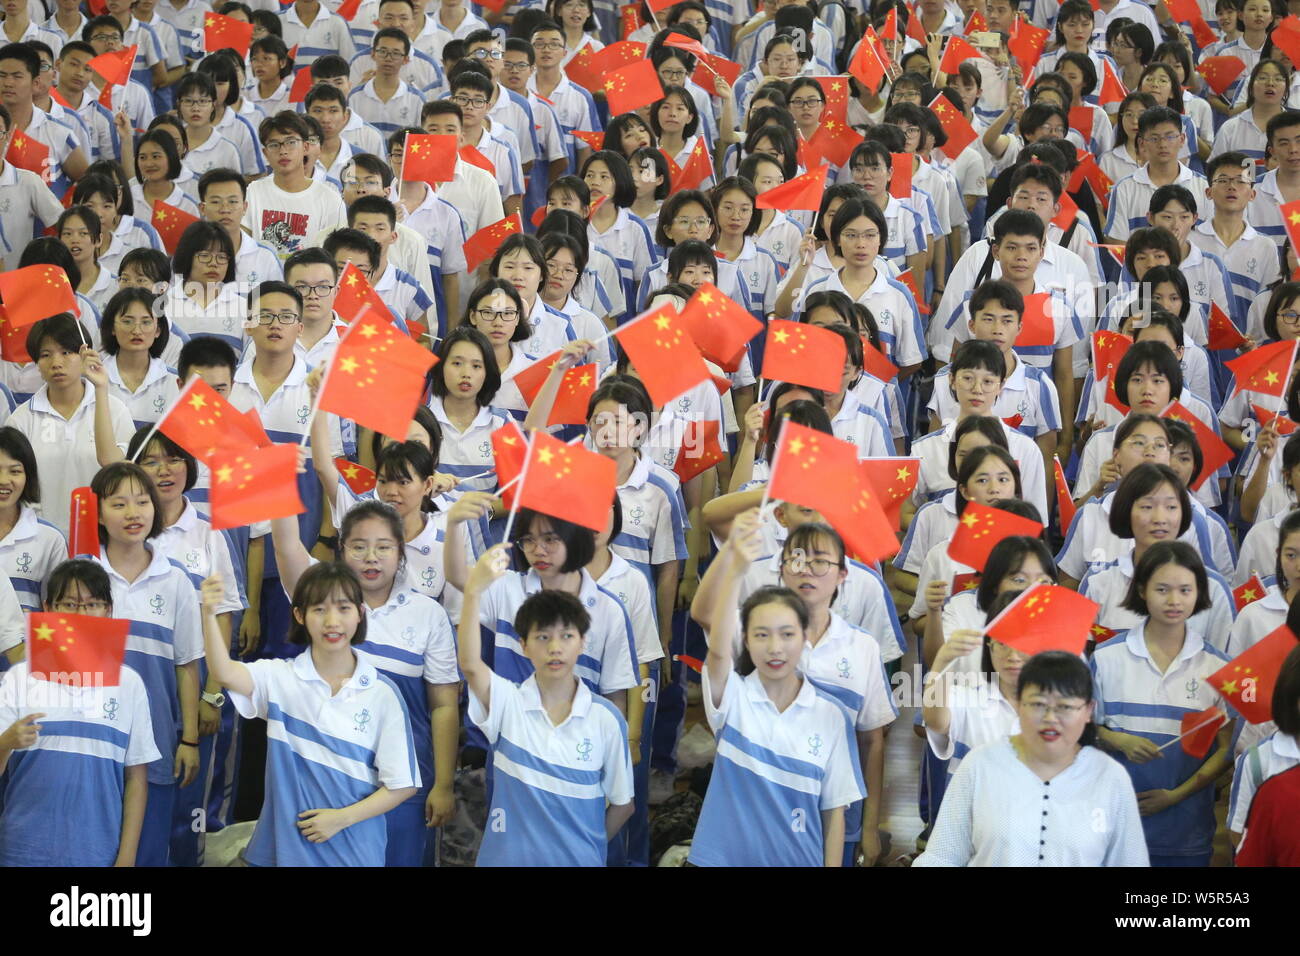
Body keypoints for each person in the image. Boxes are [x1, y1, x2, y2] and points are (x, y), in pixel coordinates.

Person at [201, 562, 418, 866]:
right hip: (289, 852)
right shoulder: (280, 679)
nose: (332, 621)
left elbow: (402, 785)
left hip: (355, 853)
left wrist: (340, 819)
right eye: (319, 610)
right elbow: (224, 671)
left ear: (360, 613)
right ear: (300, 615)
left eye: (343, 608)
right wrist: (210, 614)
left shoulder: (382, 694)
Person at [687, 509, 864, 866]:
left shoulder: (831, 717)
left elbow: (834, 815)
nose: (775, 647)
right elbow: (719, 649)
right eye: (761, 635)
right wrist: (735, 563)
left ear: (804, 642)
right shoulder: (733, 696)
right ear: (747, 643)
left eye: (787, 635)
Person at [457, 544, 634, 866]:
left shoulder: (606, 719)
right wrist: (473, 592)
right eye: (542, 638)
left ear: (583, 642)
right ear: (523, 646)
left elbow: (623, 805)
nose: (555, 648)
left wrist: (588, 846)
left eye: (566, 636)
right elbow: (470, 664)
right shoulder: (507, 702)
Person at [915, 649, 1150, 866]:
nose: (1050, 718)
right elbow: (941, 857)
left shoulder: (1110, 777)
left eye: (1065, 707)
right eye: (1038, 704)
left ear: (1088, 711)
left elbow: (1130, 861)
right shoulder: (979, 764)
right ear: (1019, 705)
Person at [0, 559, 159, 866]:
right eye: (69, 604)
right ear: (48, 608)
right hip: (21, 851)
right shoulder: (20, 677)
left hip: (98, 853)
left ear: (108, 610)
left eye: (92, 604)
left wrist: (126, 857)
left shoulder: (130, 684)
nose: (80, 614)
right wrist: (6, 741)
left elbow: (137, 779)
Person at [1091, 541, 1238, 867]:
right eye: (1162, 589)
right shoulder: (1106, 658)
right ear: (1141, 589)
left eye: (1185, 590)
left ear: (1199, 592)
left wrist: (1175, 796)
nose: (1174, 600)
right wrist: (1118, 739)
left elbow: (1226, 750)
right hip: (1113, 831)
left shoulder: (1218, 669)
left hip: (1186, 833)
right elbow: (1083, 731)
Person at [4, 314, 134, 536]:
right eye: (45, 355)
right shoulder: (21, 419)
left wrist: (101, 389)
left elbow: (126, 475)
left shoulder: (115, 410)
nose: (56, 363)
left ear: (85, 355)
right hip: (38, 537)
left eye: (66, 352)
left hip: (101, 535)